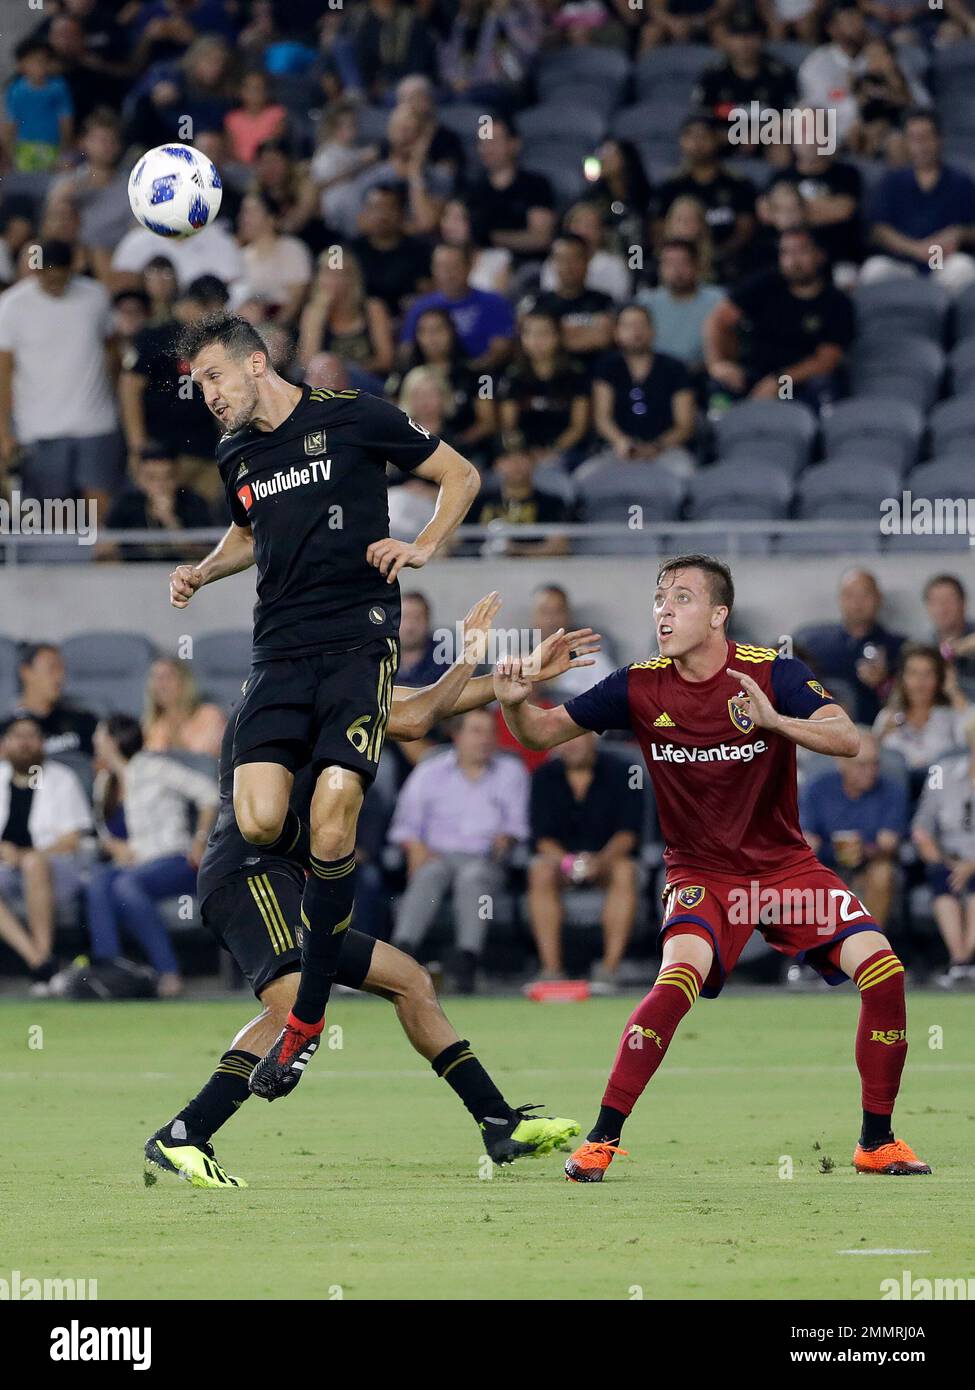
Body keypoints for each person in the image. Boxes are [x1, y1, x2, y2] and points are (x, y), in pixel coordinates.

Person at [494, 553, 932, 1181]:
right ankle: (601, 1139)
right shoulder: (637, 684)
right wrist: (514, 702)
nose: (664, 611)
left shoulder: (772, 673)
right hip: (702, 875)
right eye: (659, 599)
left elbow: (848, 740)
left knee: (884, 973)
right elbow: (538, 733)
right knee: (676, 982)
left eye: (681, 598)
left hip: (785, 872)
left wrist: (776, 721)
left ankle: (877, 1141)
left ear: (718, 613)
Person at [142, 607, 597, 1189]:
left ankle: (497, 1121)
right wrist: (471, 660)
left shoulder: (324, 687)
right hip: (248, 875)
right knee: (292, 1010)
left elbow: (420, 703)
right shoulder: (284, 695)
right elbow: (416, 715)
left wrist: (518, 675)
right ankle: (183, 1135)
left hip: (282, 879)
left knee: (409, 980)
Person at [169, 313, 480, 1097]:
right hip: (277, 651)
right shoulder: (235, 451)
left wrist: (424, 545)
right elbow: (248, 532)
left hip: (356, 639)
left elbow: (461, 476)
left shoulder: (353, 414)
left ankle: (306, 1013)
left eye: (213, 375)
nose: (204, 394)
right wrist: (204, 570)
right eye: (196, 383)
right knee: (262, 820)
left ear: (255, 362)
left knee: (338, 800)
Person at [389, 707, 529, 994]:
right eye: (477, 732)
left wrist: (506, 839)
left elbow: (517, 826)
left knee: (472, 876)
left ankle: (467, 960)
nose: (485, 740)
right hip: (436, 855)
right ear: (456, 735)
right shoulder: (429, 771)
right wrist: (415, 847)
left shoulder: (511, 772)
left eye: (490, 732)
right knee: (430, 873)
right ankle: (400, 956)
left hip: (485, 860)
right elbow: (405, 825)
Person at [83, 713, 218, 1000]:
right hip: (135, 865)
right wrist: (113, 847)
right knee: (98, 881)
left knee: (125, 886)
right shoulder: (104, 781)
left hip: (175, 860)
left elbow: (209, 793)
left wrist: (200, 839)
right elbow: (103, 832)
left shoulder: (155, 767)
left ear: (114, 740)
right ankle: (110, 969)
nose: (95, 740)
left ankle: (168, 972)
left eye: (100, 734)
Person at [0, 238, 122, 508]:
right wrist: (3, 431)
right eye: (47, 277)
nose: (54, 283)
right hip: (39, 428)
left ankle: (98, 552)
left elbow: (113, 352)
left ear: (72, 269)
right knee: (56, 514)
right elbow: (4, 372)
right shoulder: (12, 305)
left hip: (96, 423)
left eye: (60, 276)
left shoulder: (96, 296)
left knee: (100, 510)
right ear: (37, 270)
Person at [528, 731, 642, 989]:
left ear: (593, 739)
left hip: (608, 861)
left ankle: (608, 971)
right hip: (561, 863)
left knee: (625, 870)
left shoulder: (624, 772)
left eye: (577, 737)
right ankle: (551, 971)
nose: (571, 745)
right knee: (539, 871)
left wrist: (599, 861)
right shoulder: (543, 776)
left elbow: (628, 834)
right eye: (565, 739)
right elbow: (541, 838)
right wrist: (570, 863)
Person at [703, 227, 854, 412]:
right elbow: (718, 320)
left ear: (820, 255)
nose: (793, 260)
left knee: (821, 386)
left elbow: (826, 361)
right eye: (786, 252)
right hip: (756, 376)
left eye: (801, 251)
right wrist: (717, 365)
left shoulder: (836, 302)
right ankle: (721, 433)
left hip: (795, 381)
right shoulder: (766, 284)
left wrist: (779, 381)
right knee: (720, 384)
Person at [0, 715, 92, 984]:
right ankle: (40, 963)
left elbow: (73, 839)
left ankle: (43, 956)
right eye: (18, 737)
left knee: (33, 864)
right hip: (7, 871)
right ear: (5, 744)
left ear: (42, 743)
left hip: (57, 870)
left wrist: (31, 855)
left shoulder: (62, 778)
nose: (25, 743)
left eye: (31, 737)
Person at [118, 274, 226, 499]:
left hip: (204, 448)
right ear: (196, 305)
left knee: (203, 521)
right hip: (160, 452)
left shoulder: (210, 341)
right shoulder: (155, 336)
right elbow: (130, 388)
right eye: (214, 312)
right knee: (157, 514)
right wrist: (138, 445)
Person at [800, 730, 908, 932]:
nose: (871, 771)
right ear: (842, 763)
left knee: (882, 873)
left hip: (870, 864)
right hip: (825, 865)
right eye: (862, 765)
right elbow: (807, 840)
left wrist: (864, 851)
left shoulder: (892, 791)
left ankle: (871, 949)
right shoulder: (817, 788)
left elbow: (888, 845)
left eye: (875, 763)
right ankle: (816, 953)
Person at [862, 111, 975, 296]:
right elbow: (878, 230)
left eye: (926, 137)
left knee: (964, 267)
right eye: (914, 138)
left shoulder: (960, 181)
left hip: (943, 264)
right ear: (906, 142)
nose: (921, 146)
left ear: (939, 139)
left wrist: (958, 234)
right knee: (874, 269)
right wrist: (916, 249)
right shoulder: (892, 181)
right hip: (903, 264)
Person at [589, 304, 697, 479]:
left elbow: (685, 425)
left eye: (641, 325)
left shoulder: (675, 368)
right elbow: (602, 417)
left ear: (653, 331)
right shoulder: (606, 367)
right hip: (618, 449)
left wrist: (657, 446)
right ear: (617, 333)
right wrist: (621, 441)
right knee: (584, 478)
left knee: (686, 476)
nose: (636, 332)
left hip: (666, 450)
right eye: (629, 326)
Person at [654, 116, 756, 284]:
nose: (697, 143)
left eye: (703, 136)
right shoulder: (670, 187)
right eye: (690, 137)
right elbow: (658, 232)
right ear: (681, 141)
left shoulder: (738, 184)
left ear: (717, 139)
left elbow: (745, 230)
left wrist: (712, 256)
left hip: (728, 265)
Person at [799, 568, 905, 726]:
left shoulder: (900, 648)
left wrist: (883, 684)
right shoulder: (813, 644)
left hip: (881, 734)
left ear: (879, 598)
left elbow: (915, 703)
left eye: (865, 594)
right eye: (850, 595)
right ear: (840, 599)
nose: (857, 602)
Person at [912, 726, 975, 989]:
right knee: (941, 877)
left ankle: (963, 962)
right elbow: (922, 826)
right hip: (948, 858)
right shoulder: (942, 773)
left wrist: (971, 866)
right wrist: (939, 859)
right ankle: (961, 962)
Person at [873, 644, 974, 798]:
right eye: (913, 673)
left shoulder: (951, 715)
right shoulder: (887, 716)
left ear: (939, 679)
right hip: (897, 797)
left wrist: (953, 690)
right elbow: (871, 760)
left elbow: (971, 737)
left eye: (928, 674)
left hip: (943, 795)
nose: (920, 682)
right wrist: (881, 737)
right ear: (903, 678)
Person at [399, 243, 515, 372]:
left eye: (453, 267)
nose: (447, 273)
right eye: (441, 267)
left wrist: (467, 372)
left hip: (483, 377)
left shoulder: (494, 302)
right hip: (431, 380)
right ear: (432, 269)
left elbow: (502, 349)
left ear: (469, 267)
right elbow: (407, 350)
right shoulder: (420, 308)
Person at [464, 112, 557, 267]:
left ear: (514, 144)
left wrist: (491, 238)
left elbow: (541, 238)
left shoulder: (535, 185)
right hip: (480, 265)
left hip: (525, 266)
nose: (486, 149)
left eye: (493, 141)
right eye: (482, 142)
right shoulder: (473, 189)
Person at [497, 310, 589, 463]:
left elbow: (578, 427)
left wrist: (553, 450)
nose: (536, 340)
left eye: (543, 333)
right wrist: (523, 453)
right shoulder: (511, 376)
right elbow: (509, 426)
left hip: (567, 452)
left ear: (558, 336)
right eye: (529, 334)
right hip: (524, 454)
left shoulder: (576, 374)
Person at [520, 234, 615, 373]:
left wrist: (555, 338)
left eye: (574, 258)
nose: (568, 265)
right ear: (552, 262)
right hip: (552, 377)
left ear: (587, 261)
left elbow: (603, 338)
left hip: (596, 373)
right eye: (561, 259)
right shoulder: (537, 301)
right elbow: (530, 343)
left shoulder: (603, 301)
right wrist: (585, 333)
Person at [296, 248, 394, 383]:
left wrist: (345, 369)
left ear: (352, 279)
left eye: (339, 274)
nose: (333, 281)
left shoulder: (372, 308)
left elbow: (385, 360)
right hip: (326, 382)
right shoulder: (313, 312)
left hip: (366, 381)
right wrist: (319, 315)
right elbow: (308, 362)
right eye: (328, 273)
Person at [636, 239, 725, 380]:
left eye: (683, 263)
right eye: (669, 264)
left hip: (703, 375)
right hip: (656, 377)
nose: (676, 270)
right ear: (660, 268)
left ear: (697, 266)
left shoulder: (718, 300)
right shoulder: (645, 301)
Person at [104, 447, 213, 562]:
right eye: (151, 478)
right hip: (134, 573)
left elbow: (205, 554)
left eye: (167, 477)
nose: (160, 484)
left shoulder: (194, 502)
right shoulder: (125, 503)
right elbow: (104, 548)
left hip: (181, 573)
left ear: (177, 477)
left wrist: (170, 521)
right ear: (139, 478)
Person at [471, 443, 571, 557]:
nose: (516, 464)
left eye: (522, 458)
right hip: (480, 570)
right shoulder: (479, 501)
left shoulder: (552, 503)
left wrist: (515, 550)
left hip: (535, 571)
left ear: (533, 462)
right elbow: (456, 538)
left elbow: (559, 546)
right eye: (508, 459)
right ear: (497, 465)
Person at [351, 183, 432, 319]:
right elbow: (328, 286)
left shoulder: (420, 250)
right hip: (359, 321)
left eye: (389, 208)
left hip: (407, 321)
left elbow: (428, 293)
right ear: (364, 213)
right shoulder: (343, 249)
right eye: (375, 208)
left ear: (401, 213)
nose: (382, 216)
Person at [235, 192, 313, 330]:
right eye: (243, 212)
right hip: (249, 328)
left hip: (284, 326)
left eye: (251, 212)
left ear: (271, 219)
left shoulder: (292, 249)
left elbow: (296, 299)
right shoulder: (241, 256)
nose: (243, 218)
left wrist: (274, 329)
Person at [9, 642, 97, 758]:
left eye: (62, 670)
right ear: (26, 672)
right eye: (52, 668)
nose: (60, 677)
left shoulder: (83, 721)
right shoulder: (7, 728)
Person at [1, 37, 74, 172]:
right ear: (21, 64)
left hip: (53, 146)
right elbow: (10, 122)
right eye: (34, 61)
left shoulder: (59, 87)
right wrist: (8, 153)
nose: (40, 65)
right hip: (24, 148)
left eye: (44, 61)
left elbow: (66, 119)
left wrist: (65, 148)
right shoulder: (15, 91)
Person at [142, 655, 226, 759]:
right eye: (155, 677)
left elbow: (203, 761)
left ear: (184, 682)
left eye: (168, 676)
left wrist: (173, 735)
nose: (160, 684)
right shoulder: (153, 724)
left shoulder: (210, 714)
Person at [925, 573, 975, 697]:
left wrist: (962, 646)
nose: (942, 608)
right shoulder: (924, 647)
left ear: (963, 603)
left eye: (949, 600)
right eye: (935, 601)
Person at [224, 69, 286, 164]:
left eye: (259, 89)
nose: (255, 94)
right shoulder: (233, 118)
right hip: (238, 166)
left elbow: (276, 145)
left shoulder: (276, 113)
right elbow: (229, 149)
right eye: (250, 89)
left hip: (266, 165)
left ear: (266, 92)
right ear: (241, 92)